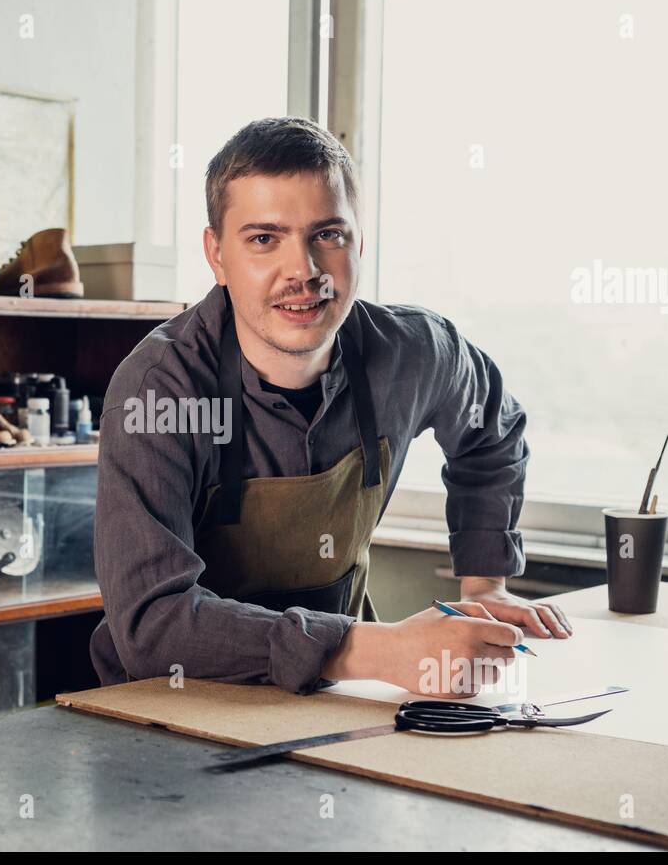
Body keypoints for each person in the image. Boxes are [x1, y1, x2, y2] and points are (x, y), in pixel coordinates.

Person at [90, 116, 572, 697]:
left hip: (333, 697)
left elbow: (493, 429)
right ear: (216, 255)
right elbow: (153, 624)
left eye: (327, 235)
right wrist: (378, 649)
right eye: (264, 239)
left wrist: (484, 583)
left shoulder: (413, 352)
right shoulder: (158, 389)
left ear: (359, 243)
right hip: (174, 703)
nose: (305, 271)